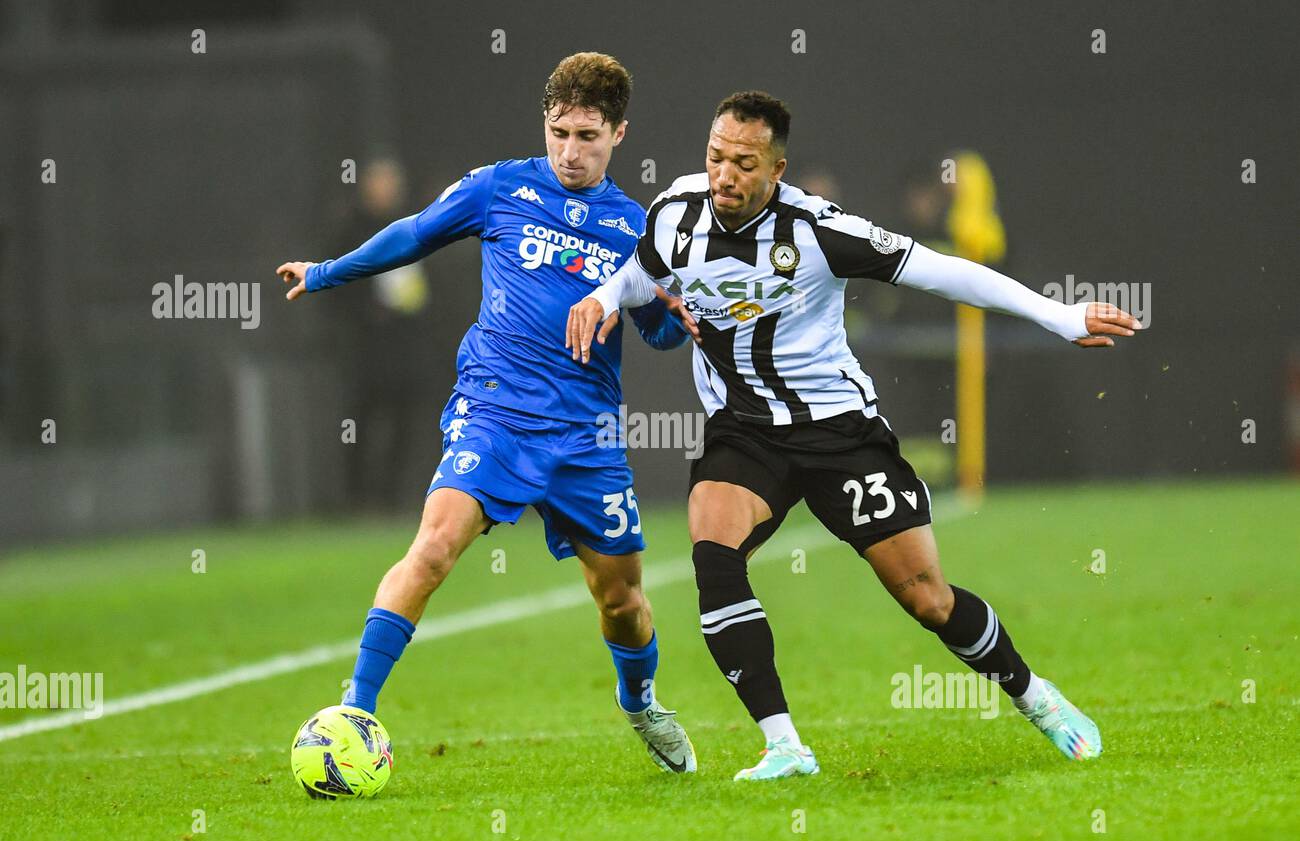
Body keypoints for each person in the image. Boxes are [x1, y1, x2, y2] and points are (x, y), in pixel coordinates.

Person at [569, 90, 1141, 780]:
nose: (724, 175)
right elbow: (643, 270)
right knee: (713, 550)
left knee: (928, 598)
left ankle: (1034, 696)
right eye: (716, 157)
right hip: (744, 432)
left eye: (743, 164)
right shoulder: (675, 213)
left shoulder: (818, 230)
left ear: (775, 171)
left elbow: (944, 272)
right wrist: (605, 294)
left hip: (839, 432)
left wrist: (1058, 316)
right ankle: (785, 746)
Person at [276, 52, 697, 775]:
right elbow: (412, 233)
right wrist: (325, 273)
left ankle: (640, 702)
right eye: (560, 131)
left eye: (588, 136)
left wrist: (674, 312)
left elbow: (658, 332)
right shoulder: (500, 186)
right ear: (545, 122)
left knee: (622, 597)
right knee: (434, 546)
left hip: (584, 434)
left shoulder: (637, 227)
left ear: (619, 135)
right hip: (495, 412)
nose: (570, 149)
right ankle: (354, 710)